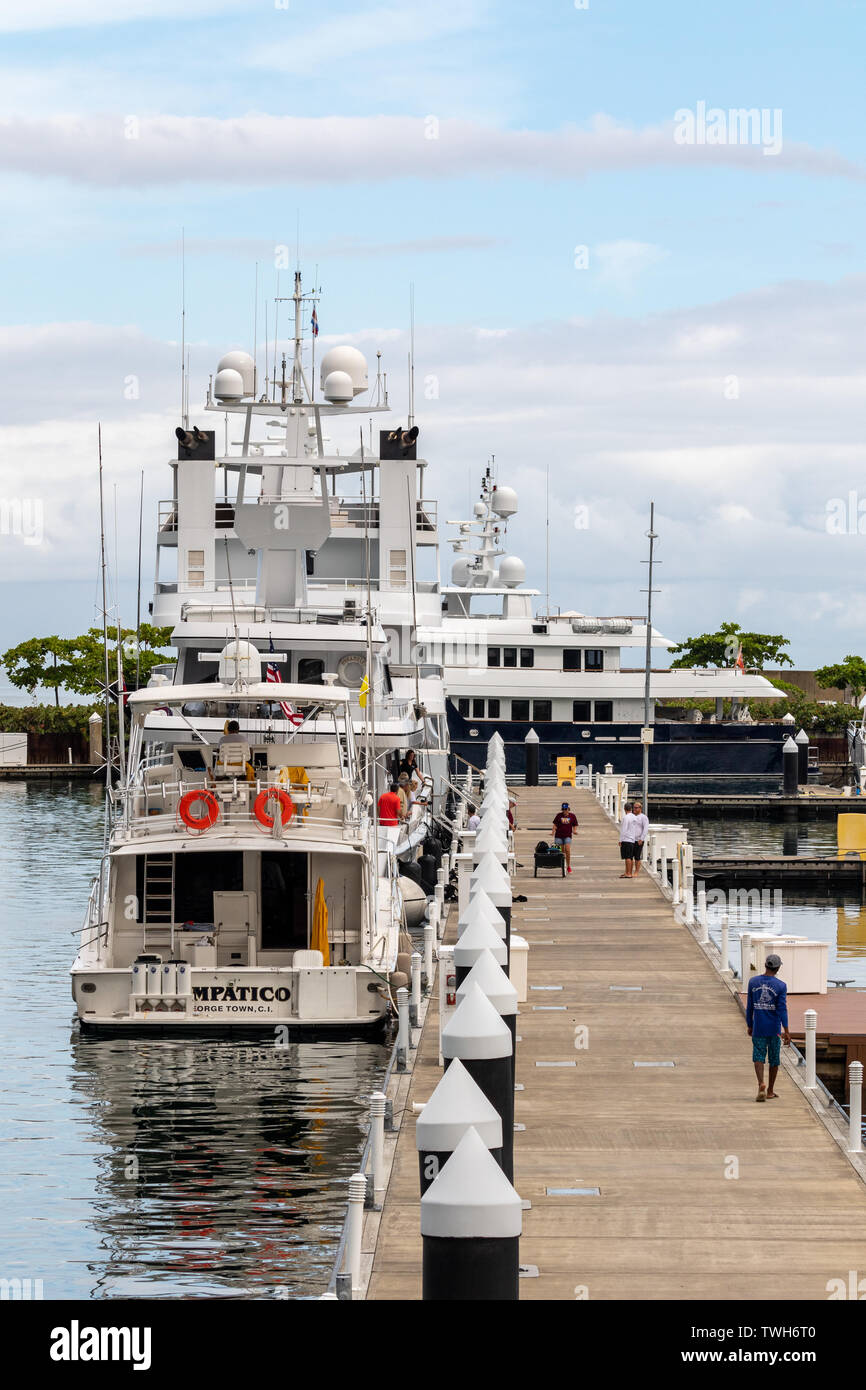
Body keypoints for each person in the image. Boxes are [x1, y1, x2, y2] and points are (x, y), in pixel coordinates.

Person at [746, 952, 791, 1101]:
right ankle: (770, 1090)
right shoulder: (781, 986)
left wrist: (749, 1025)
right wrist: (787, 1031)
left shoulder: (753, 982)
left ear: (765, 965)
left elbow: (750, 1007)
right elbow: (782, 1009)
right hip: (774, 1029)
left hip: (758, 1027)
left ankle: (761, 1083)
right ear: (778, 968)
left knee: (758, 1056)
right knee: (774, 1059)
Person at [552, 801, 579, 874]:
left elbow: (575, 824)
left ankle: (568, 866)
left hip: (567, 836)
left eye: (566, 809)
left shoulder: (572, 816)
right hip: (558, 836)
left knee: (567, 850)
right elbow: (555, 824)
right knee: (561, 852)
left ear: (568, 809)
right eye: (563, 809)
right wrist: (553, 832)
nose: (564, 811)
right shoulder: (558, 815)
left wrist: (574, 830)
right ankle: (562, 865)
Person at [629, 799, 649, 877]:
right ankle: (629, 871)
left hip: (639, 840)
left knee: (637, 856)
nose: (634, 809)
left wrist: (642, 838)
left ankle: (636, 871)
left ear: (640, 808)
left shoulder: (643, 817)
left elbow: (645, 829)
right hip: (630, 839)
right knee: (630, 856)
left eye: (636, 808)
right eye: (634, 807)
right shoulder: (631, 816)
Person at [619, 801, 636, 878]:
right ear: (631, 809)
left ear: (624, 809)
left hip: (626, 839)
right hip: (632, 839)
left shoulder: (626, 818)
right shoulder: (635, 817)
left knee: (627, 857)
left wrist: (620, 840)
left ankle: (628, 873)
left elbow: (623, 830)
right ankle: (628, 872)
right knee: (631, 857)